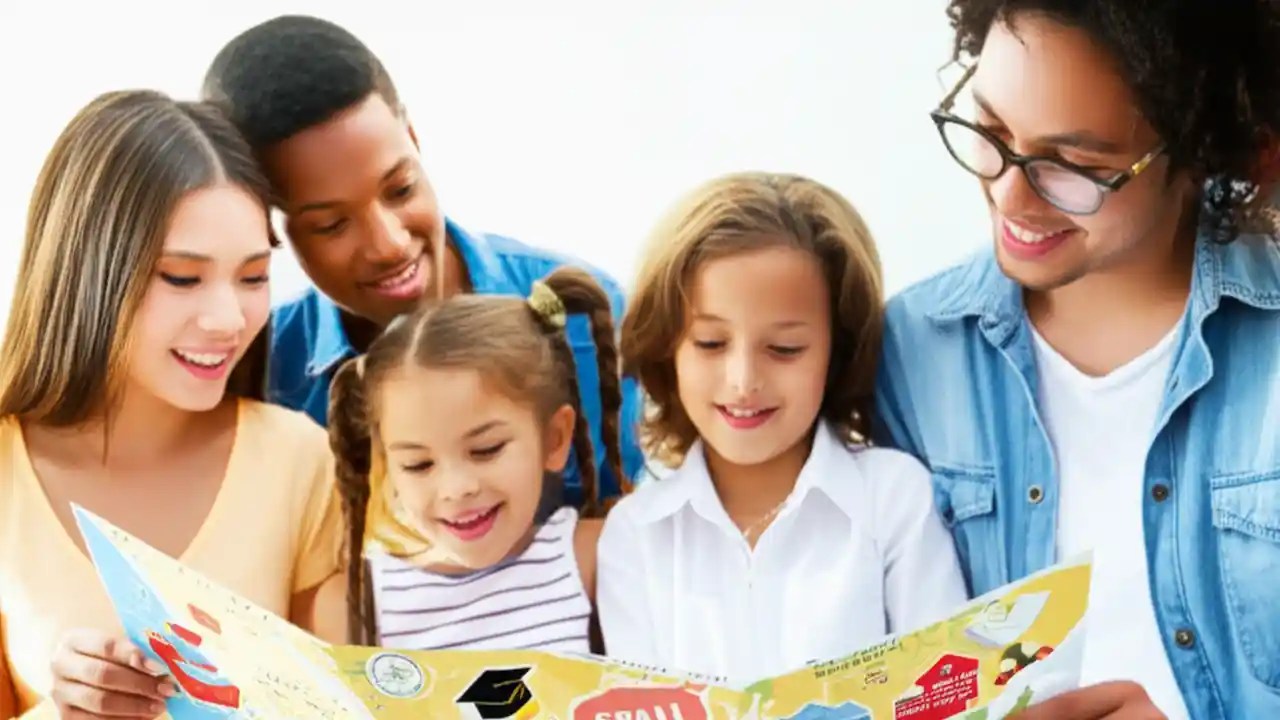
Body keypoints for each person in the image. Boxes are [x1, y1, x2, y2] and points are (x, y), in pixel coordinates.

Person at [874, 2, 1280, 718]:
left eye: (1072, 166)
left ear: (1200, 152)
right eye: (992, 130)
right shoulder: (910, 352)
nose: (1009, 194)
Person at [200, 14, 642, 504]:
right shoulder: (261, 372)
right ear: (265, 222)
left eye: (401, 188)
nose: (388, 243)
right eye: (331, 224)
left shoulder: (585, 315)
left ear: (412, 134)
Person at [0, 91, 345, 719]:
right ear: (88, 271)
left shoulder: (300, 461)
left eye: (253, 277)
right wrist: (61, 710)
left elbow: (339, 703)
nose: (228, 319)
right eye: (182, 278)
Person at [596, 172, 966, 687]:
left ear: (837, 349)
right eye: (709, 343)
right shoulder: (636, 537)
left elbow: (946, 691)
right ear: (668, 347)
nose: (743, 380)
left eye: (785, 349)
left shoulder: (893, 500)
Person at [326, 265, 625, 652]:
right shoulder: (351, 610)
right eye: (418, 465)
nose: (456, 488)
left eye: (486, 451)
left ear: (554, 439)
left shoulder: (597, 559)